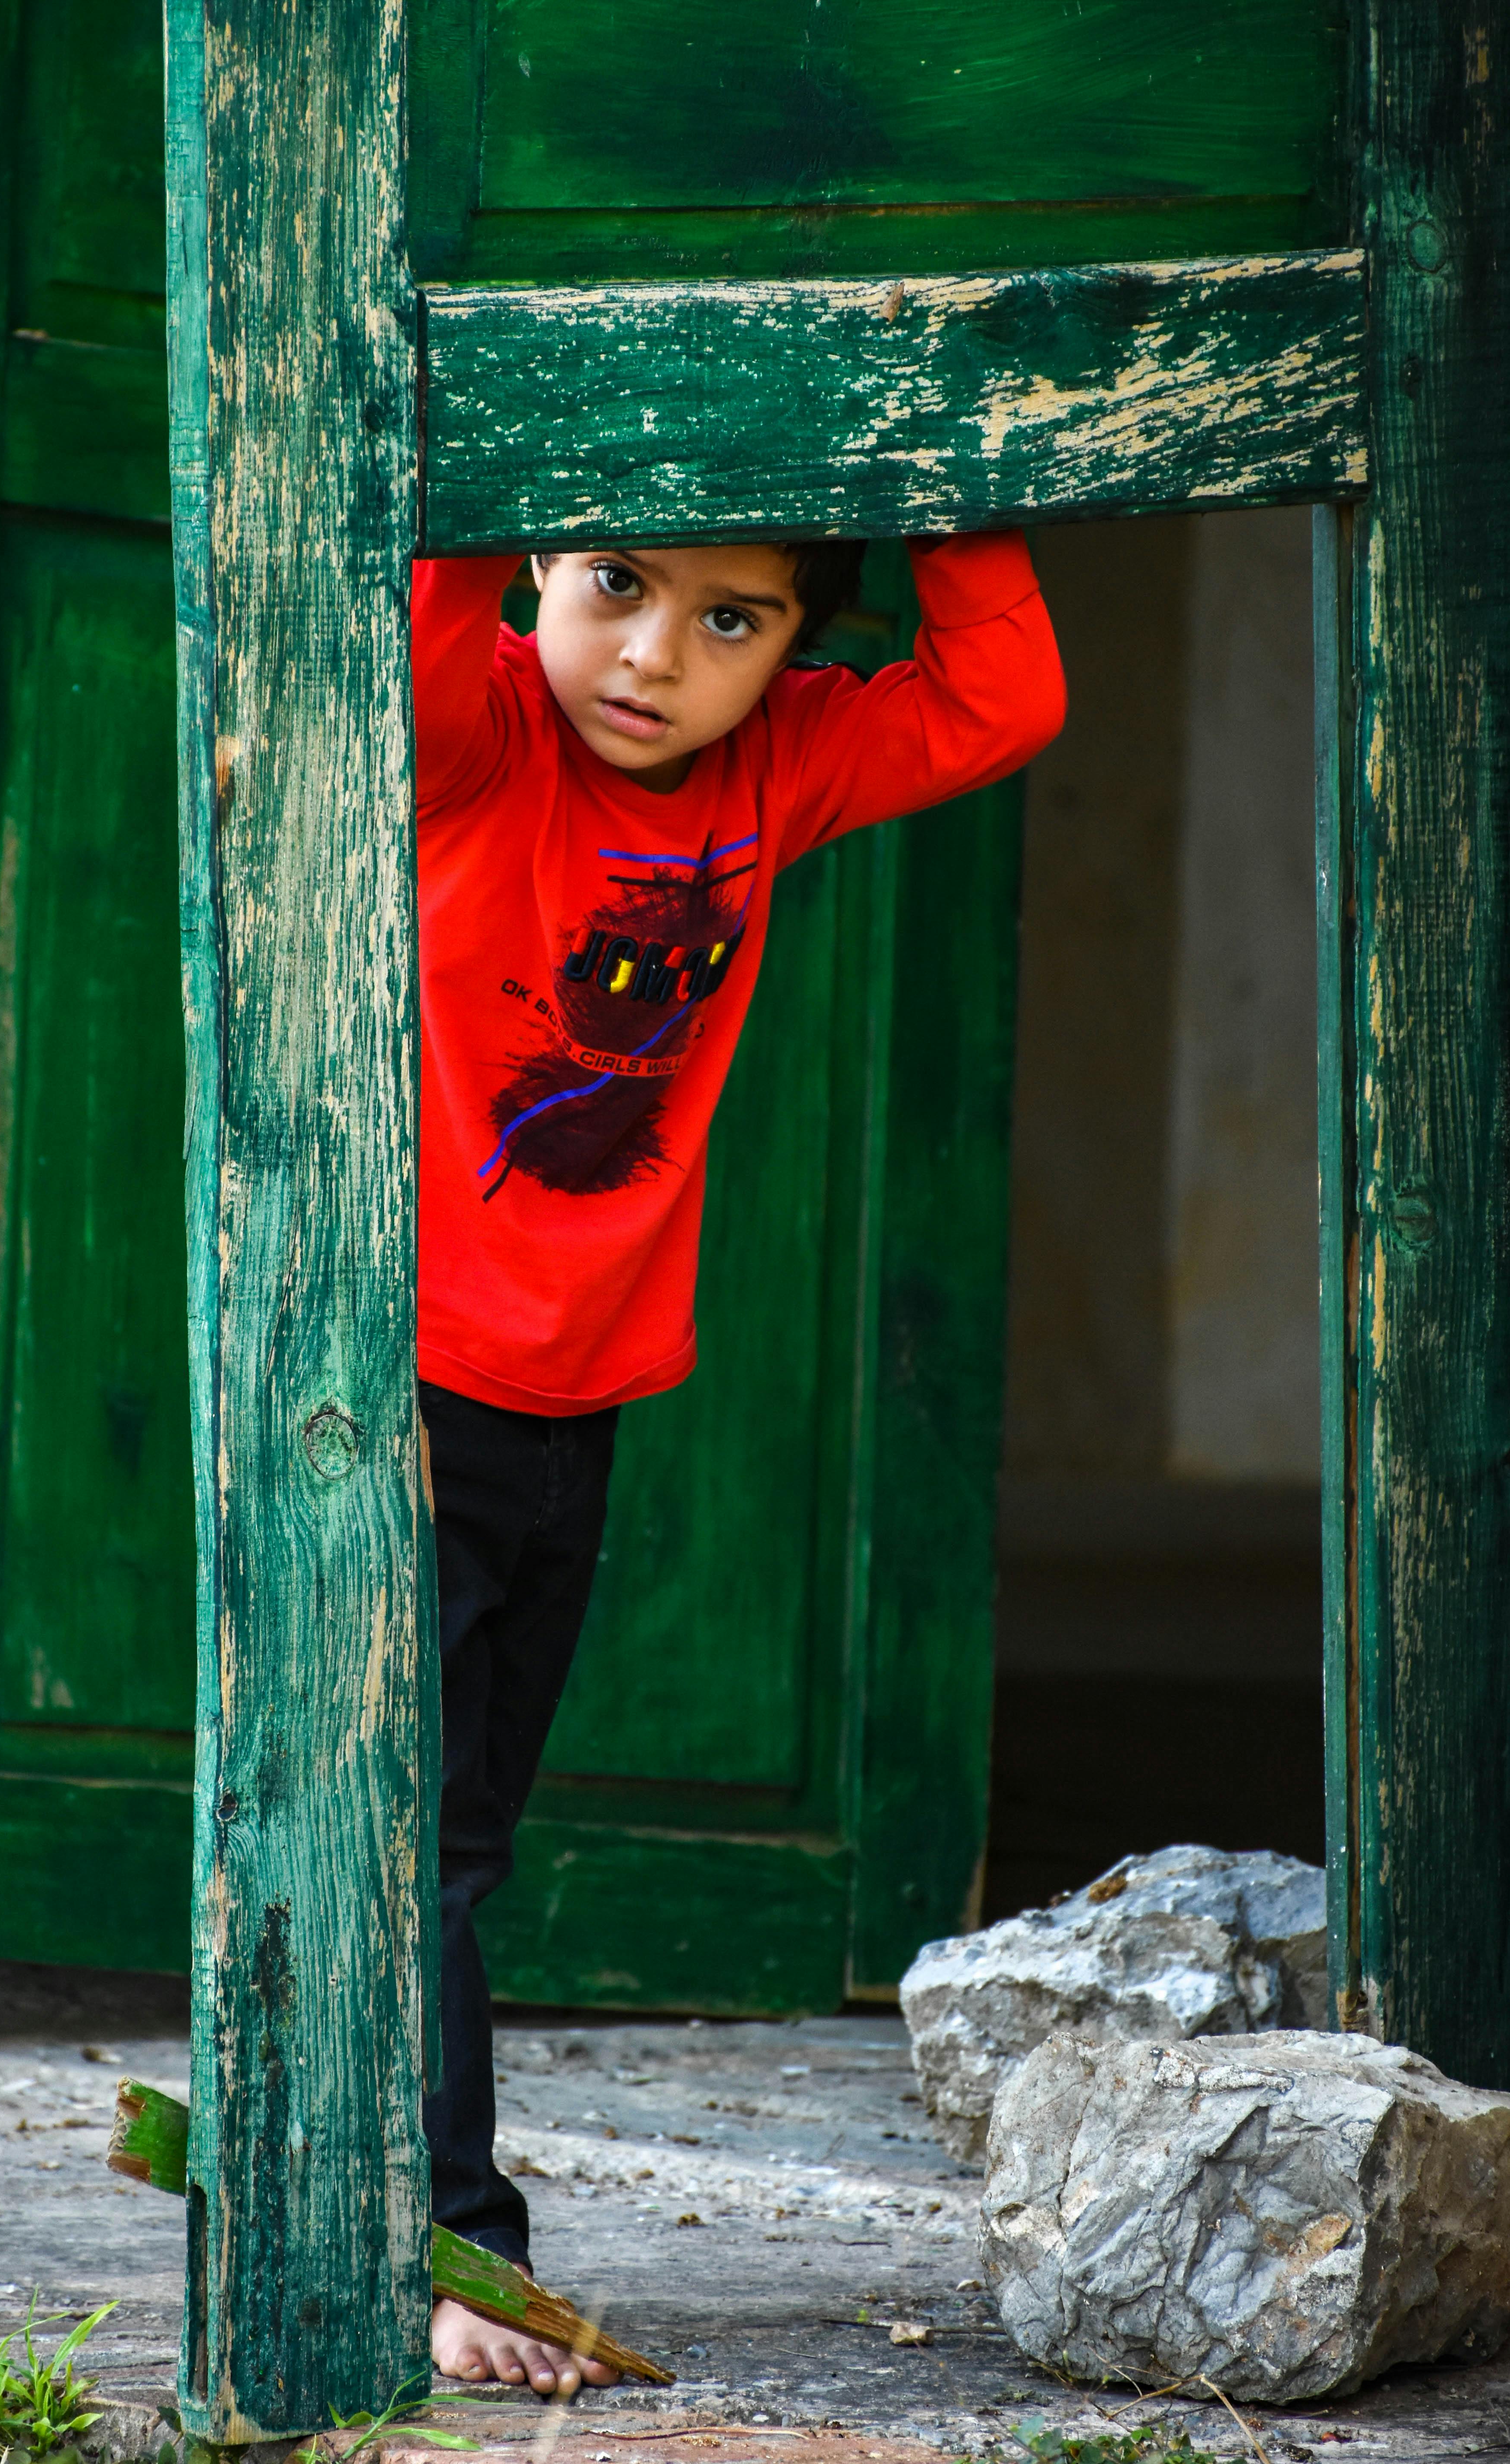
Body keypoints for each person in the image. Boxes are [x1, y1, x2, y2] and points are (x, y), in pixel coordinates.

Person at [412, 530, 1065, 2393]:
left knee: (460, 1835)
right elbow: (417, 557)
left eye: (731, 619)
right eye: (614, 581)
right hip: (397, 1386)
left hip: (576, 1397)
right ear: (536, 565)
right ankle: (450, 2250)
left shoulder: (776, 762)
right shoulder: (474, 739)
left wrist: (943, 480)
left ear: (788, 646)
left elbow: (1004, 693)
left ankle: (400, 2209)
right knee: (418, 1852)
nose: (654, 657)